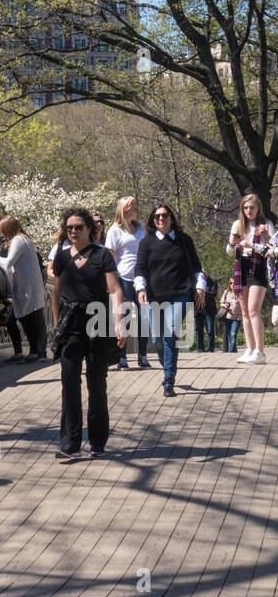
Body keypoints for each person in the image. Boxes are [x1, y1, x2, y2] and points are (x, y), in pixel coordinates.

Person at [51, 207, 126, 459]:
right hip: (70, 325)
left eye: (78, 227)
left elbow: (115, 289)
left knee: (96, 384)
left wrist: (119, 322)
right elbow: (56, 294)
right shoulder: (61, 257)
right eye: (69, 228)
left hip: (98, 322)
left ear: (89, 229)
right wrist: (56, 325)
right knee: (69, 381)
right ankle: (70, 443)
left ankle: (97, 442)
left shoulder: (102, 255)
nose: (73, 231)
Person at [135, 204, 206, 397]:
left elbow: (197, 266)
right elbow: (140, 268)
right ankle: (166, 360)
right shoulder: (146, 243)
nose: (160, 219)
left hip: (180, 293)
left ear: (171, 218)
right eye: (156, 216)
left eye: (164, 215)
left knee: (171, 332)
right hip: (155, 295)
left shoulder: (184, 240)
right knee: (158, 339)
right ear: (152, 220)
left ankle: (168, 380)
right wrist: (140, 288)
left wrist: (200, 287)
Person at [226, 194, 276, 365]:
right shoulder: (237, 225)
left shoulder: (266, 224)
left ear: (258, 208)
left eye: (252, 207)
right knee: (245, 311)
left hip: (258, 267)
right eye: (246, 208)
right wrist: (232, 243)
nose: (249, 211)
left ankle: (260, 352)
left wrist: (263, 238)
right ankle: (250, 348)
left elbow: (273, 249)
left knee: (254, 310)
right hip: (242, 267)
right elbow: (230, 251)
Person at [105, 196, 150, 371]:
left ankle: (143, 355)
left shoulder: (142, 228)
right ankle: (122, 357)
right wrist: (111, 280)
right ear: (124, 210)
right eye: (133, 207)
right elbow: (109, 257)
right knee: (124, 317)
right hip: (123, 277)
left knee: (144, 316)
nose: (137, 209)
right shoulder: (114, 231)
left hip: (141, 278)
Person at [0, 215, 47, 361]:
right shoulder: (24, 239)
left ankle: (36, 352)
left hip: (27, 287)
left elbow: (8, 262)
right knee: (28, 318)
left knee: (28, 319)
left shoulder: (18, 240)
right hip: (28, 285)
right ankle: (35, 351)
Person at [194, 274, 218, 353]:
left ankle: (210, 349)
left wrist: (202, 292)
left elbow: (214, 293)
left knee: (210, 330)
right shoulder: (195, 281)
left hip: (209, 309)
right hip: (198, 309)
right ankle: (200, 348)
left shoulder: (212, 281)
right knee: (198, 330)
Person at [217, 279, 242, 353]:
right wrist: (225, 305)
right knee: (229, 336)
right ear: (229, 284)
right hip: (228, 317)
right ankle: (234, 351)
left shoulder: (241, 293)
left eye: (234, 283)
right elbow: (221, 302)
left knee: (233, 334)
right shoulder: (226, 292)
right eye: (231, 283)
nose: (233, 285)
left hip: (237, 318)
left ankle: (231, 352)